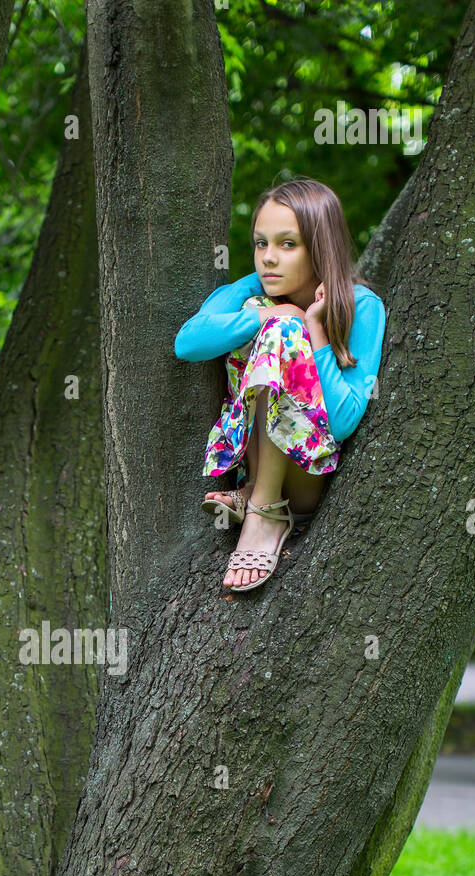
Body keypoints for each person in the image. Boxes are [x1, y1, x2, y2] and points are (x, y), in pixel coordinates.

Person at [174, 176, 386, 591]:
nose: (268, 258)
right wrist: (266, 316)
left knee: (284, 328)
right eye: (260, 243)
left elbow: (342, 422)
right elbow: (188, 342)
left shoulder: (362, 307)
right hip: (250, 463)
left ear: (319, 247)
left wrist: (311, 327)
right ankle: (256, 492)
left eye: (287, 244)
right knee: (265, 314)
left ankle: (265, 512)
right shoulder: (253, 291)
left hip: (306, 478)